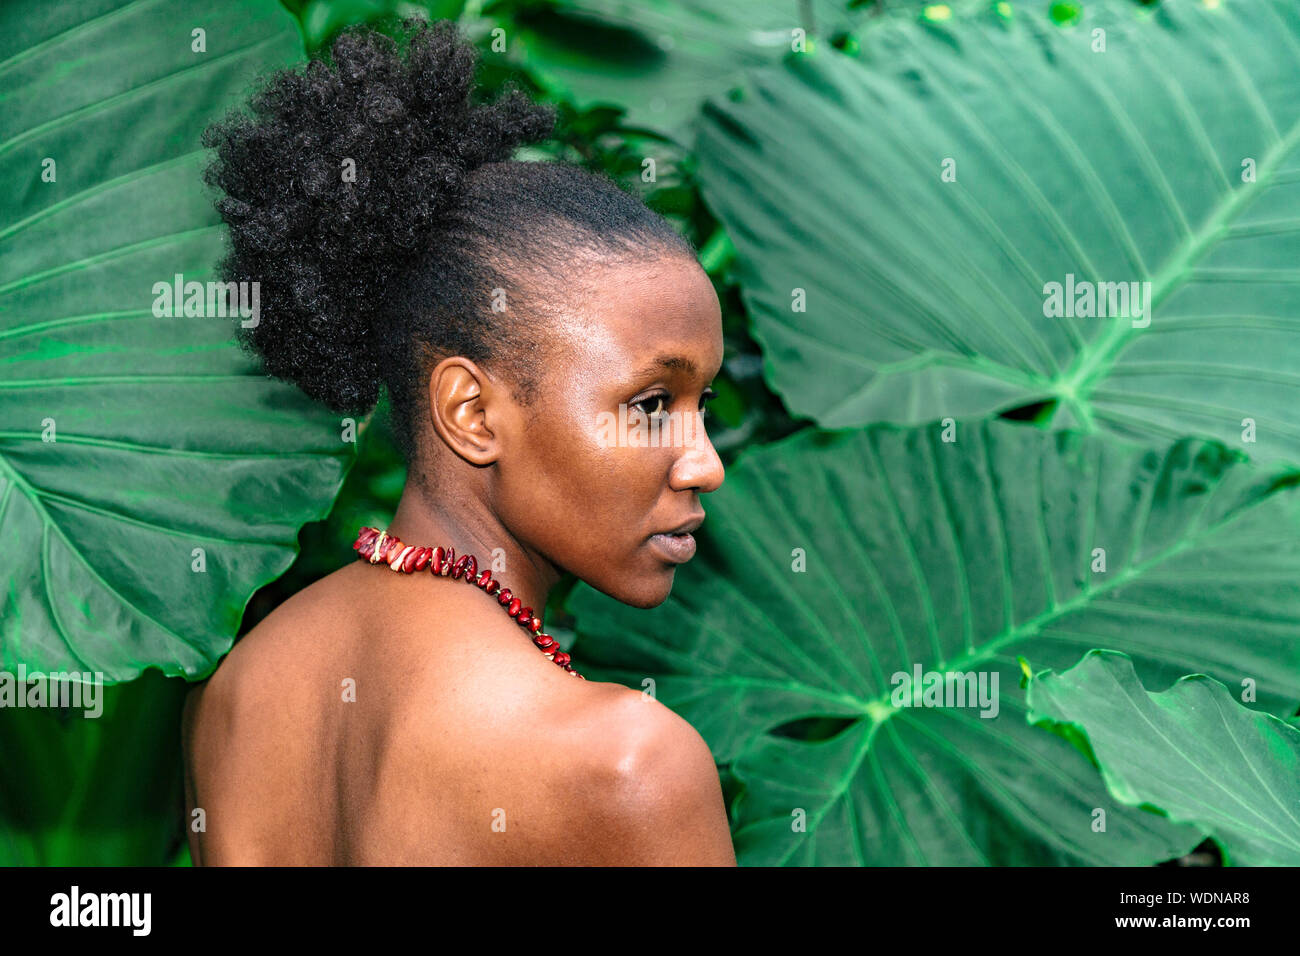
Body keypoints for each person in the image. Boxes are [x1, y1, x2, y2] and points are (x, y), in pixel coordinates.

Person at [180, 17, 735, 865]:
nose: (706, 463)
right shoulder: (626, 766)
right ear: (471, 414)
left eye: (704, 405)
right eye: (653, 403)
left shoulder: (238, 692)